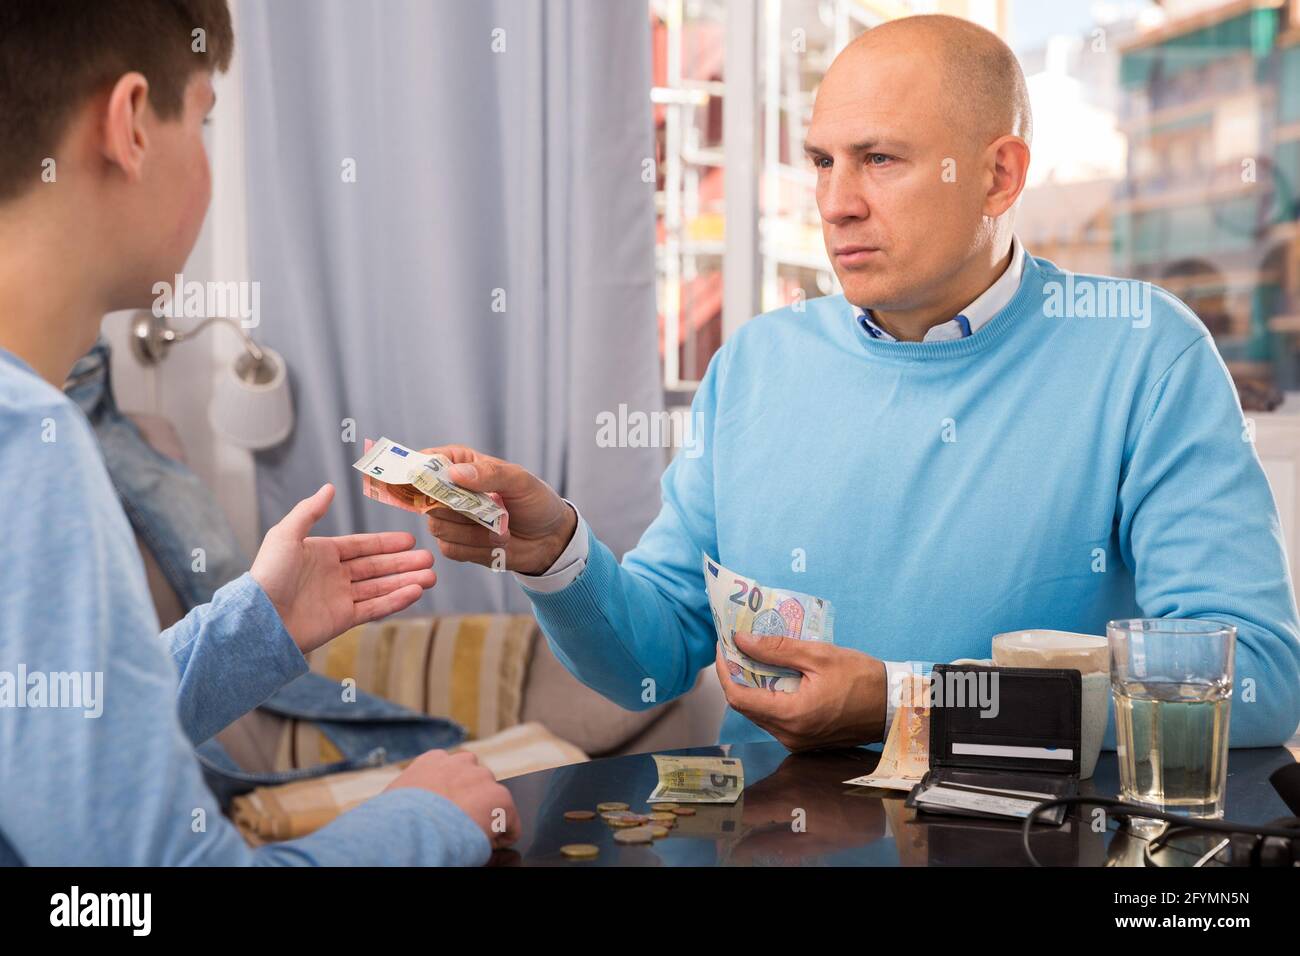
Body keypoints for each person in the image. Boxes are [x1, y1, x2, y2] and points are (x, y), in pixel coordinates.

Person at [424, 15, 1300, 751]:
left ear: (998, 175)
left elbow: (1254, 681)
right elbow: (648, 659)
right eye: (822, 161)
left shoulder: (1142, 354)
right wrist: (556, 554)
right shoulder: (756, 366)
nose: (836, 202)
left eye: (879, 159)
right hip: (771, 840)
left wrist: (907, 701)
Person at [0, 0, 517, 865]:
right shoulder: (28, 451)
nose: (206, 158)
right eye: (202, 118)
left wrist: (254, 625)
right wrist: (427, 819)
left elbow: (52, 741)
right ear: (129, 125)